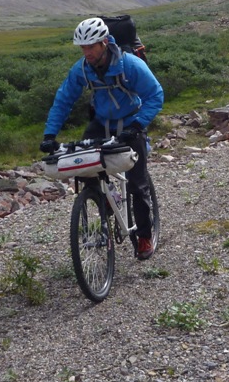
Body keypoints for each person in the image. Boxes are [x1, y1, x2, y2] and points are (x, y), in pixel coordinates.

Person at [41, 17, 164, 259]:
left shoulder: (130, 65)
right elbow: (63, 100)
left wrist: (138, 124)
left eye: (91, 47)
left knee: (138, 184)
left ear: (105, 43)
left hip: (131, 122)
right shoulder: (82, 70)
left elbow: (155, 95)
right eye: (82, 48)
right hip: (101, 124)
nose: (86, 52)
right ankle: (103, 197)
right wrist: (49, 134)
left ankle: (145, 236)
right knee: (85, 169)